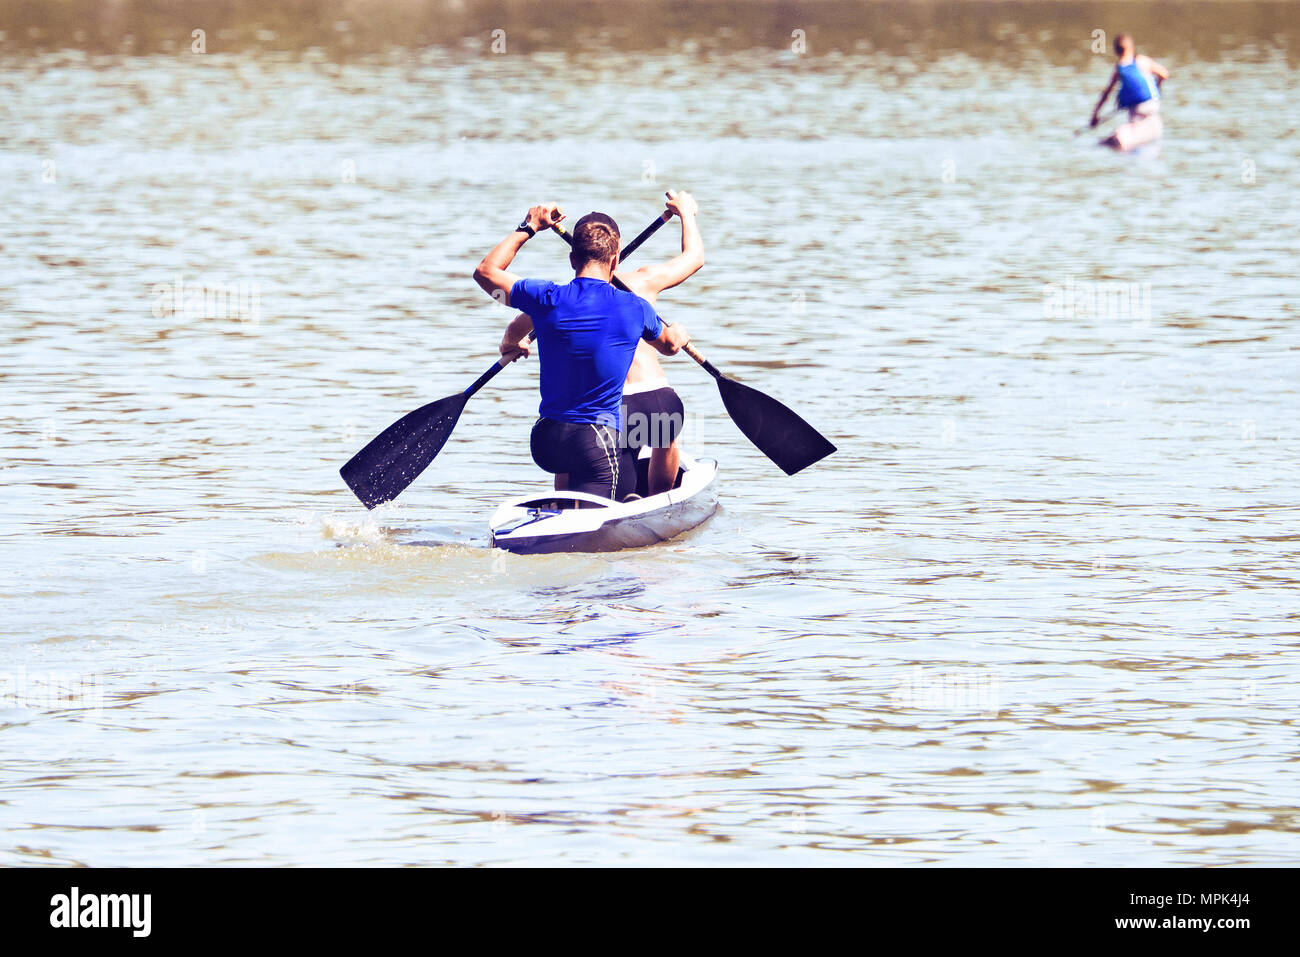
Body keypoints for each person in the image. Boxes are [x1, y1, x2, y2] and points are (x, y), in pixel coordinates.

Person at [473, 203, 691, 501]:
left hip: (546, 441)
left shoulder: (544, 297)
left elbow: (485, 273)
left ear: (572, 258)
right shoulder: (635, 307)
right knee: (609, 503)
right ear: (615, 261)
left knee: (575, 491)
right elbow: (670, 347)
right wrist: (677, 333)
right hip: (596, 441)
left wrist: (530, 226)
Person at [1091, 34, 1169, 147]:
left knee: (1133, 127)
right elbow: (1164, 74)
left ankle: (1119, 138)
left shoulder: (1119, 68)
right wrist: (1157, 86)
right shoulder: (1142, 61)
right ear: (1131, 48)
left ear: (1116, 51)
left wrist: (1095, 116)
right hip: (1152, 105)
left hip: (1136, 110)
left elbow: (1106, 94)